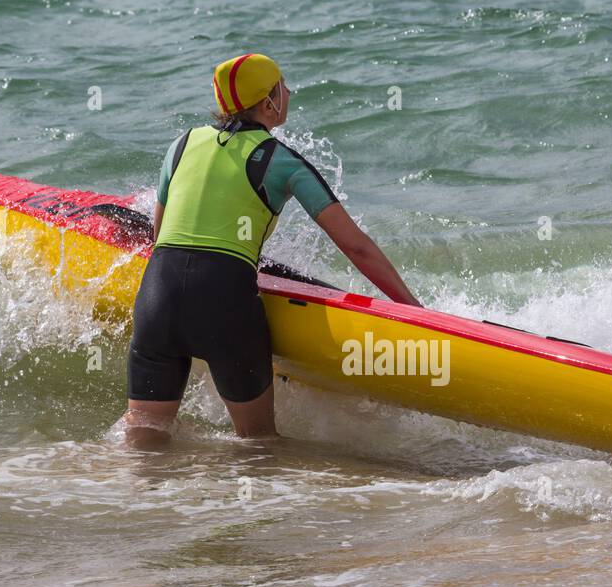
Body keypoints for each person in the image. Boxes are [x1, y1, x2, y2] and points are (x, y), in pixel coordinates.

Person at [122, 53, 421, 446]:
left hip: (156, 296)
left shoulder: (181, 145)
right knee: (257, 445)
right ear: (268, 103)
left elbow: (161, 233)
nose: (290, 91)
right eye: (283, 85)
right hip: (224, 301)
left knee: (143, 445)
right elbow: (356, 247)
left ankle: (130, 505)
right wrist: (412, 311)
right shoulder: (281, 161)